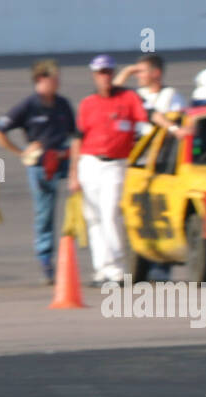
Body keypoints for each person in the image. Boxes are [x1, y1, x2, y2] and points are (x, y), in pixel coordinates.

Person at [0, 59, 75, 283]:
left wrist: (69, 156)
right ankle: (47, 260)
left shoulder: (63, 104)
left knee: (82, 203)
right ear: (40, 79)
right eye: (54, 77)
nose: (58, 82)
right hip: (40, 165)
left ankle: (81, 252)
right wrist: (21, 152)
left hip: (64, 160)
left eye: (58, 77)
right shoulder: (28, 105)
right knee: (44, 212)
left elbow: (76, 135)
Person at [68, 55, 146, 285]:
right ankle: (101, 268)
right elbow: (77, 139)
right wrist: (74, 173)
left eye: (108, 72)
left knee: (111, 212)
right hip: (89, 163)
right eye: (101, 73)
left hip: (116, 163)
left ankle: (118, 268)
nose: (105, 77)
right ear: (94, 75)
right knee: (94, 218)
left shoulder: (128, 98)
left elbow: (143, 124)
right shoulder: (87, 104)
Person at [113, 53, 184, 137]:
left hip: (159, 145)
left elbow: (179, 122)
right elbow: (112, 93)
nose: (137, 75)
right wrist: (125, 72)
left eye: (141, 72)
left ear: (156, 73)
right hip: (137, 144)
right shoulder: (137, 94)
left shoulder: (171, 94)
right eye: (136, 72)